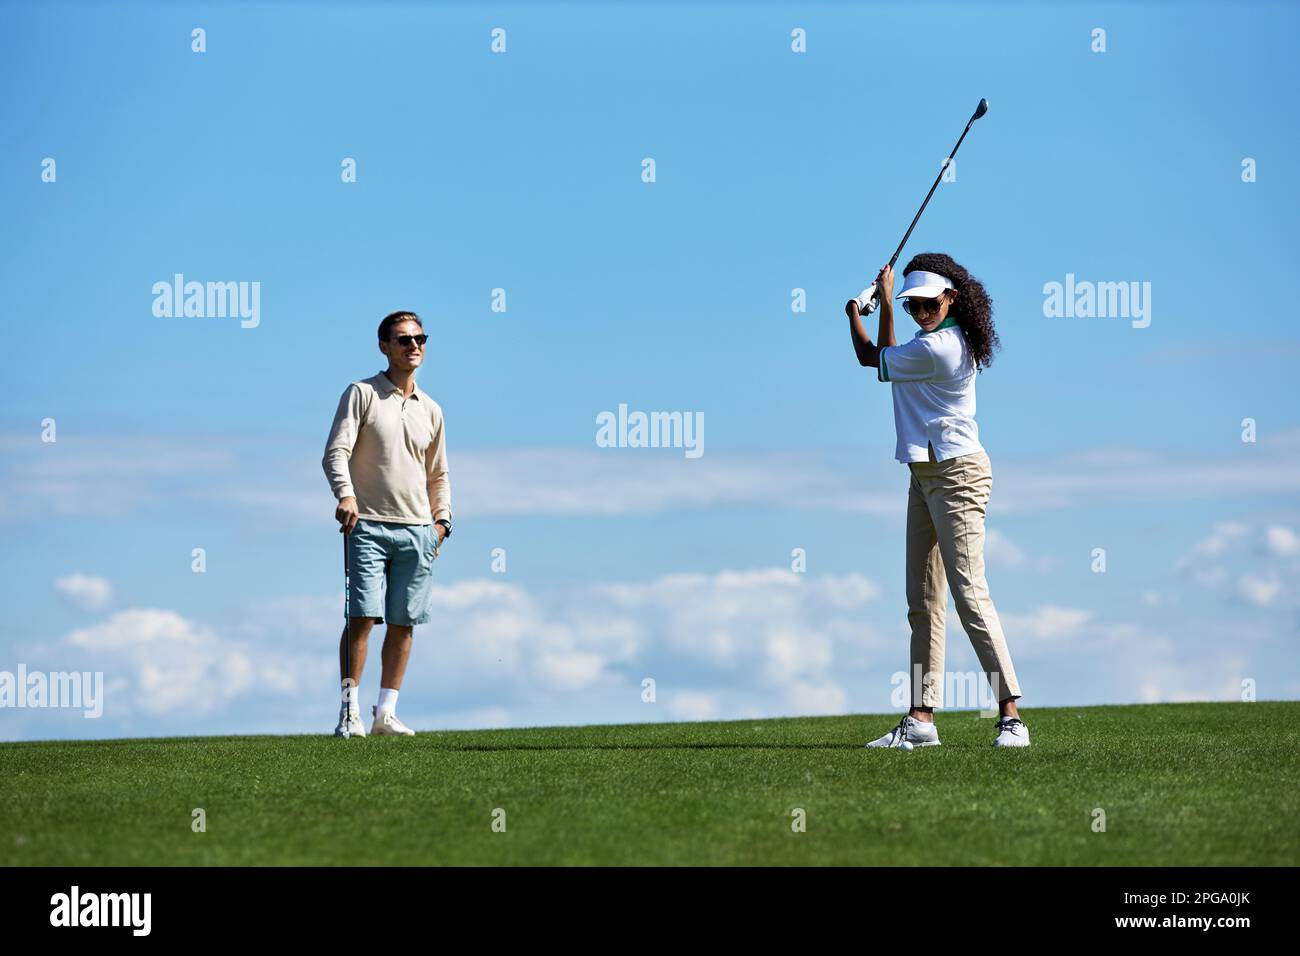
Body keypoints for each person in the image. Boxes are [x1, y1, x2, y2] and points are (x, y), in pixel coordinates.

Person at [845, 253, 1028, 748]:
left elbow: (872, 358)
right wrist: (877, 308)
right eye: (911, 306)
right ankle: (921, 720)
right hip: (923, 473)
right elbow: (886, 353)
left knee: (969, 592)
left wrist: (864, 311)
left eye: (928, 302)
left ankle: (1011, 716)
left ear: (951, 298)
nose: (920, 311)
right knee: (923, 602)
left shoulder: (943, 348)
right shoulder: (927, 342)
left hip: (957, 474)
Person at [322, 310, 453, 738]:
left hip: (418, 530)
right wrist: (345, 495)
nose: (413, 345)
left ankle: (386, 713)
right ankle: (349, 713)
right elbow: (335, 452)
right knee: (362, 616)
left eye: (420, 338)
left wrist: (442, 523)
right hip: (368, 525)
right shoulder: (361, 393)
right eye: (403, 340)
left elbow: (439, 473)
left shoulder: (432, 409)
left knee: (403, 622)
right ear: (384, 346)